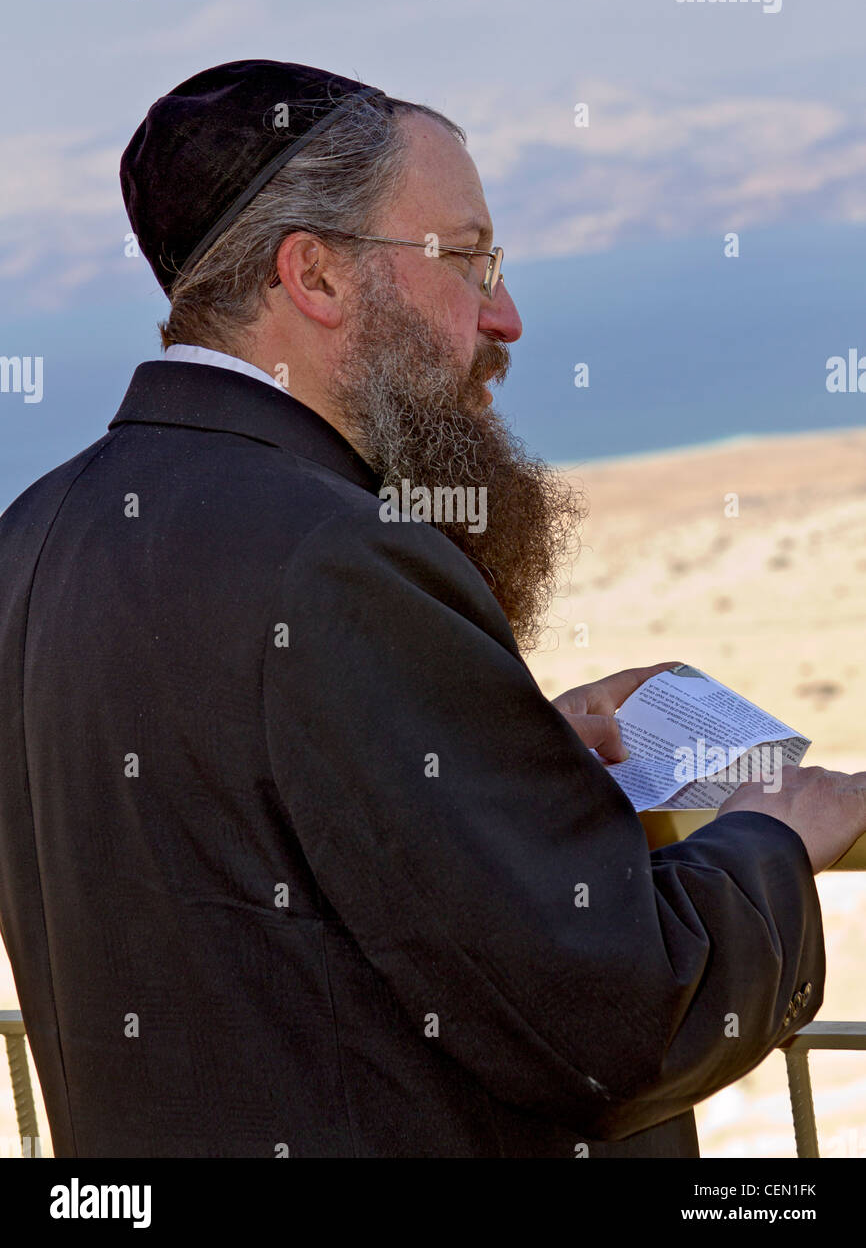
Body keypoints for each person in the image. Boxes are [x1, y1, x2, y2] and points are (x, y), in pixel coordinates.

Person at [0, 59, 862, 1159]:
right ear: (315, 275)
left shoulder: (38, 531)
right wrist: (773, 835)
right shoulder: (337, 556)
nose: (505, 317)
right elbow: (617, 1015)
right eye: (465, 259)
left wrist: (506, 755)